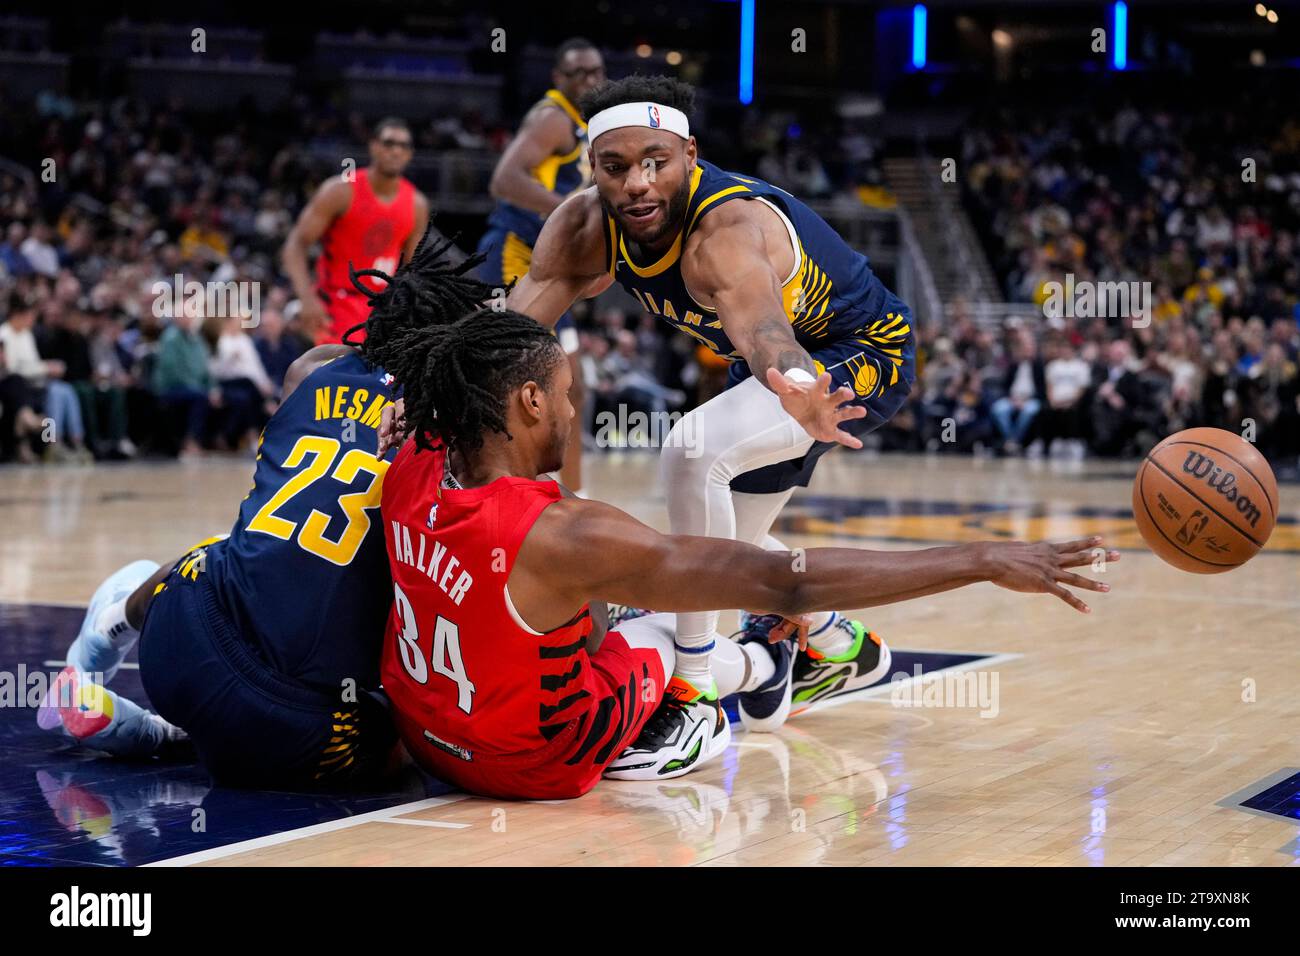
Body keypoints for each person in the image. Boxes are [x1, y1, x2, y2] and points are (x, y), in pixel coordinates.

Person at [369, 248, 1116, 794]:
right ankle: (763, 667)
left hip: (425, 740)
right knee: (663, 630)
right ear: (530, 401)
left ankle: (804, 654)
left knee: (603, 597)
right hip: (533, 764)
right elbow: (782, 582)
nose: (571, 410)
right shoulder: (568, 536)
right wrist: (983, 559)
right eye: (564, 393)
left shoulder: (407, 462)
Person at [505, 74, 919, 774]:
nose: (637, 183)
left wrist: (797, 386)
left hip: (853, 357)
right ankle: (835, 645)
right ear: (592, 167)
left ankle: (694, 696)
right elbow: (508, 338)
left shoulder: (725, 231)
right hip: (765, 375)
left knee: (692, 451)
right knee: (725, 552)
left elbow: (764, 331)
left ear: (690, 155)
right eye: (616, 167)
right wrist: (415, 387)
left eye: (656, 162)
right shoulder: (583, 226)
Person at [36, 235, 464, 789]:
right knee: (405, 732)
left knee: (222, 554)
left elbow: (354, 368)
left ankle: (114, 637)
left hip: (178, 640)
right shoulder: (452, 432)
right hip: (289, 728)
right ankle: (174, 735)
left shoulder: (308, 370)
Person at [477, 38, 605, 494]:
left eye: (595, 71)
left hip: (550, 268)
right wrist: (566, 214)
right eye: (577, 73)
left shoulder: (587, 125)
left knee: (572, 389)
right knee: (507, 384)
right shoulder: (552, 119)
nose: (588, 80)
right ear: (558, 78)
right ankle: (487, 489)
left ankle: (574, 497)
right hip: (514, 259)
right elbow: (504, 180)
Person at [281, 117, 431, 345]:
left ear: (410, 154)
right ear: (374, 146)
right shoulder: (340, 190)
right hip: (334, 306)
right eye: (389, 143)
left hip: (381, 313)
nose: (396, 151)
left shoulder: (417, 204)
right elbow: (295, 244)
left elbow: (414, 269)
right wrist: (306, 298)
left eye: (404, 146)